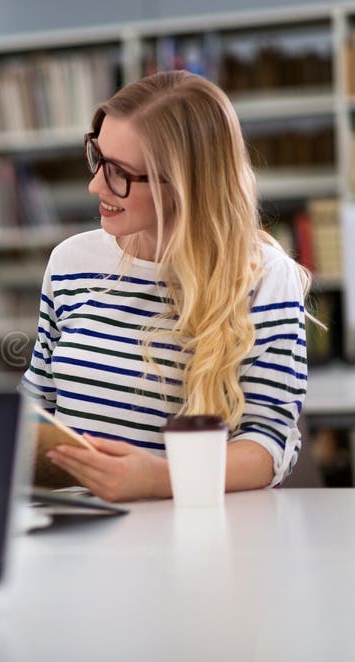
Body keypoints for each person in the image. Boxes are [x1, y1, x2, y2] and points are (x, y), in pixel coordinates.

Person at [21, 70, 309, 503]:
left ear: (185, 183)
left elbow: (268, 443)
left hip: (192, 534)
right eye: (97, 158)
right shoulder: (69, 263)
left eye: (119, 173)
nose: (95, 184)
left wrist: (159, 478)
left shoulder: (265, 278)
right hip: (71, 530)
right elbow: (36, 402)